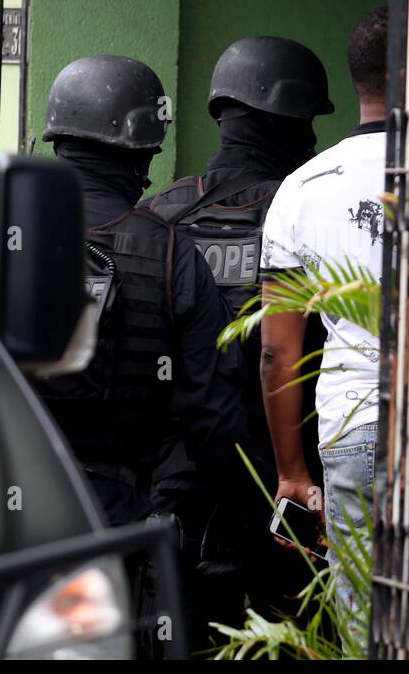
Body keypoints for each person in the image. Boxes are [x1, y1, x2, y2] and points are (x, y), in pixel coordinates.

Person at [23, 55, 249, 656]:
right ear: (142, 148)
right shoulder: (170, 252)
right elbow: (212, 416)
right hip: (122, 524)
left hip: (3, 507)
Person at [142, 36, 334, 620]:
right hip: (285, 475)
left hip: (176, 474)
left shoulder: (162, 213)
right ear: (291, 123)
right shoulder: (304, 212)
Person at [258, 7, 389, 649]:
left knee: (365, 631)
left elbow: (278, 353)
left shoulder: (303, 188)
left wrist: (291, 470)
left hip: (354, 425)